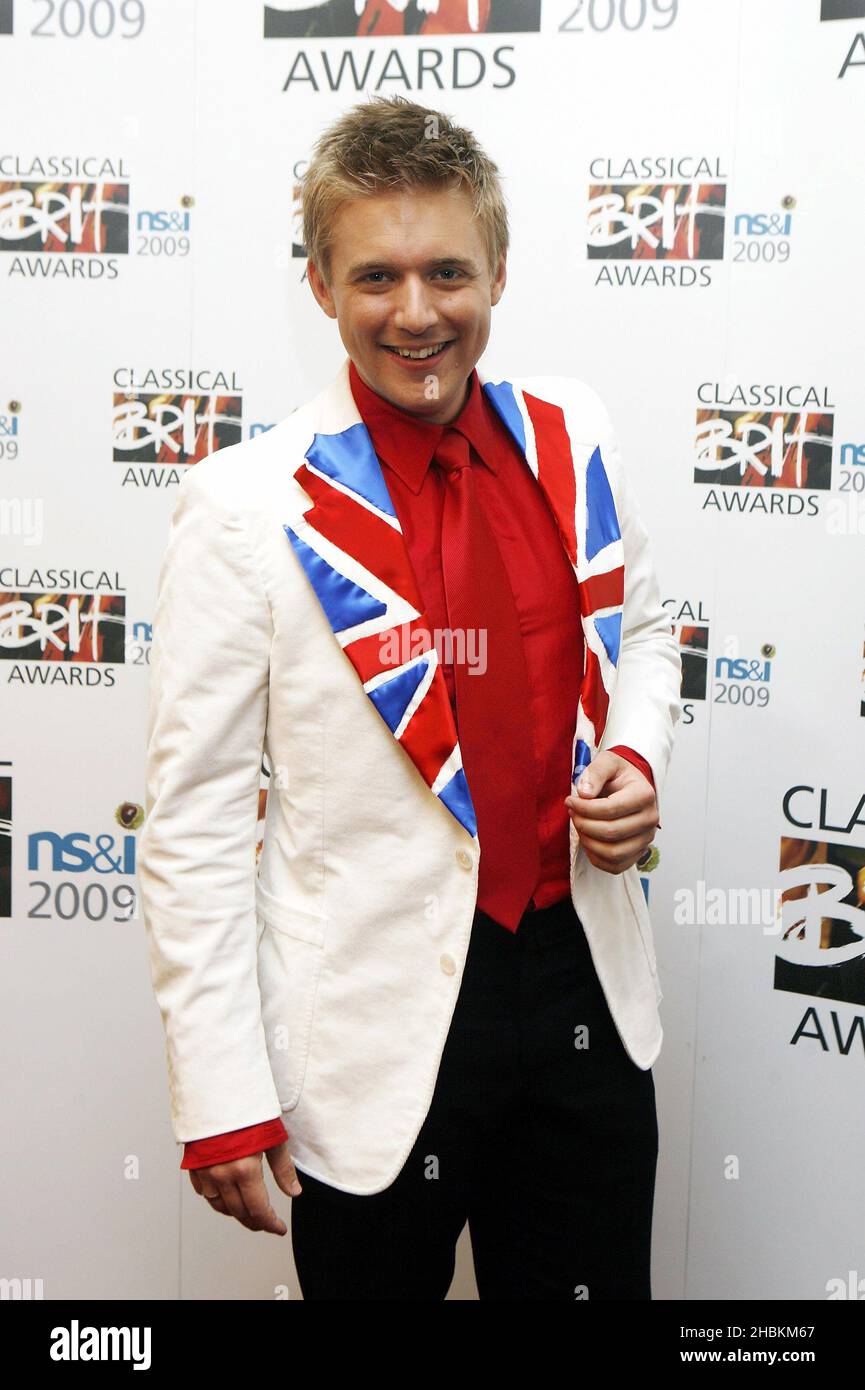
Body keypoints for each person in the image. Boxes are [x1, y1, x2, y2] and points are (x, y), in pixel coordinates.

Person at [138, 94, 682, 1300]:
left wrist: (634, 758)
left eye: (448, 270)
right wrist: (222, 1096)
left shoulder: (572, 432)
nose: (418, 312)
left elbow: (645, 630)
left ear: (498, 270)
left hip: (584, 988)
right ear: (322, 287)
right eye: (376, 276)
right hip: (373, 1042)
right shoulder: (244, 507)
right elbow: (192, 822)